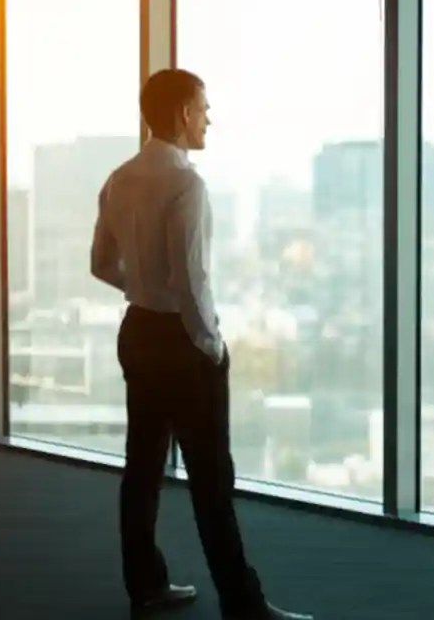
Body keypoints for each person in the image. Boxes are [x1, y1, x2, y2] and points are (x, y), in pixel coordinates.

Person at [91, 69, 312, 620]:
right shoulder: (187, 185)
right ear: (181, 114)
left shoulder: (118, 179)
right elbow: (193, 281)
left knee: (141, 468)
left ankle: (145, 587)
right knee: (212, 480)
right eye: (203, 107)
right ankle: (243, 604)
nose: (209, 117)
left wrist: (142, 290)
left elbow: (99, 265)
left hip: (137, 330)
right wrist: (211, 344)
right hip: (182, 342)